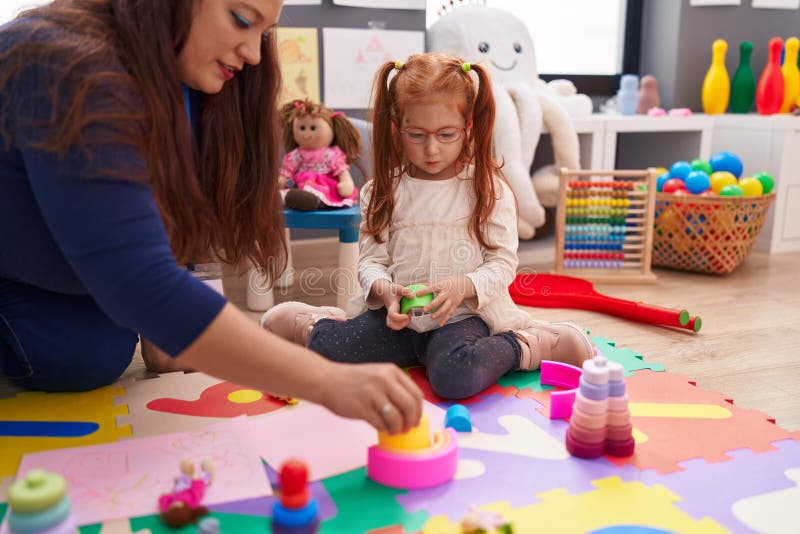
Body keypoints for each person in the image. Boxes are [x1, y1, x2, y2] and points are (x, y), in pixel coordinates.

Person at [0, 0, 422, 434]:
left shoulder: (188, 74)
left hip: (73, 261)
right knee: (83, 358)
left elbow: (174, 218)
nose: (255, 54)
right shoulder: (67, 67)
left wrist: (171, 323)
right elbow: (142, 285)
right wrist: (328, 381)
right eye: (240, 20)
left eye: (263, 33)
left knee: (106, 347)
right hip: (20, 270)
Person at [262, 53, 595, 400]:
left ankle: (532, 344)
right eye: (417, 134)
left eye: (446, 134)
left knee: (456, 377)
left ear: (467, 129)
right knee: (335, 352)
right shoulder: (382, 191)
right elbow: (370, 261)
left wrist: (463, 285)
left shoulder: (487, 188)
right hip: (399, 318)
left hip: (462, 317)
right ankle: (312, 325)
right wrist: (383, 290)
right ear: (397, 129)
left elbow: (503, 263)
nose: (432, 148)